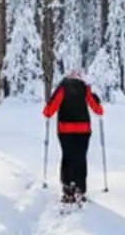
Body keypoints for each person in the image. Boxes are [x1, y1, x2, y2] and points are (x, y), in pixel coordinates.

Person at [42, 69, 104, 203]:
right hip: (83, 130)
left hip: (65, 130)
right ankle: (80, 190)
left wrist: (48, 109)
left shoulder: (63, 87)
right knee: (81, 158)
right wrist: (97, 102)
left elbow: (49, 111)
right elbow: (98, 110)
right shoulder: (84, 88)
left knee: (68, 158)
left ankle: (68, 190)